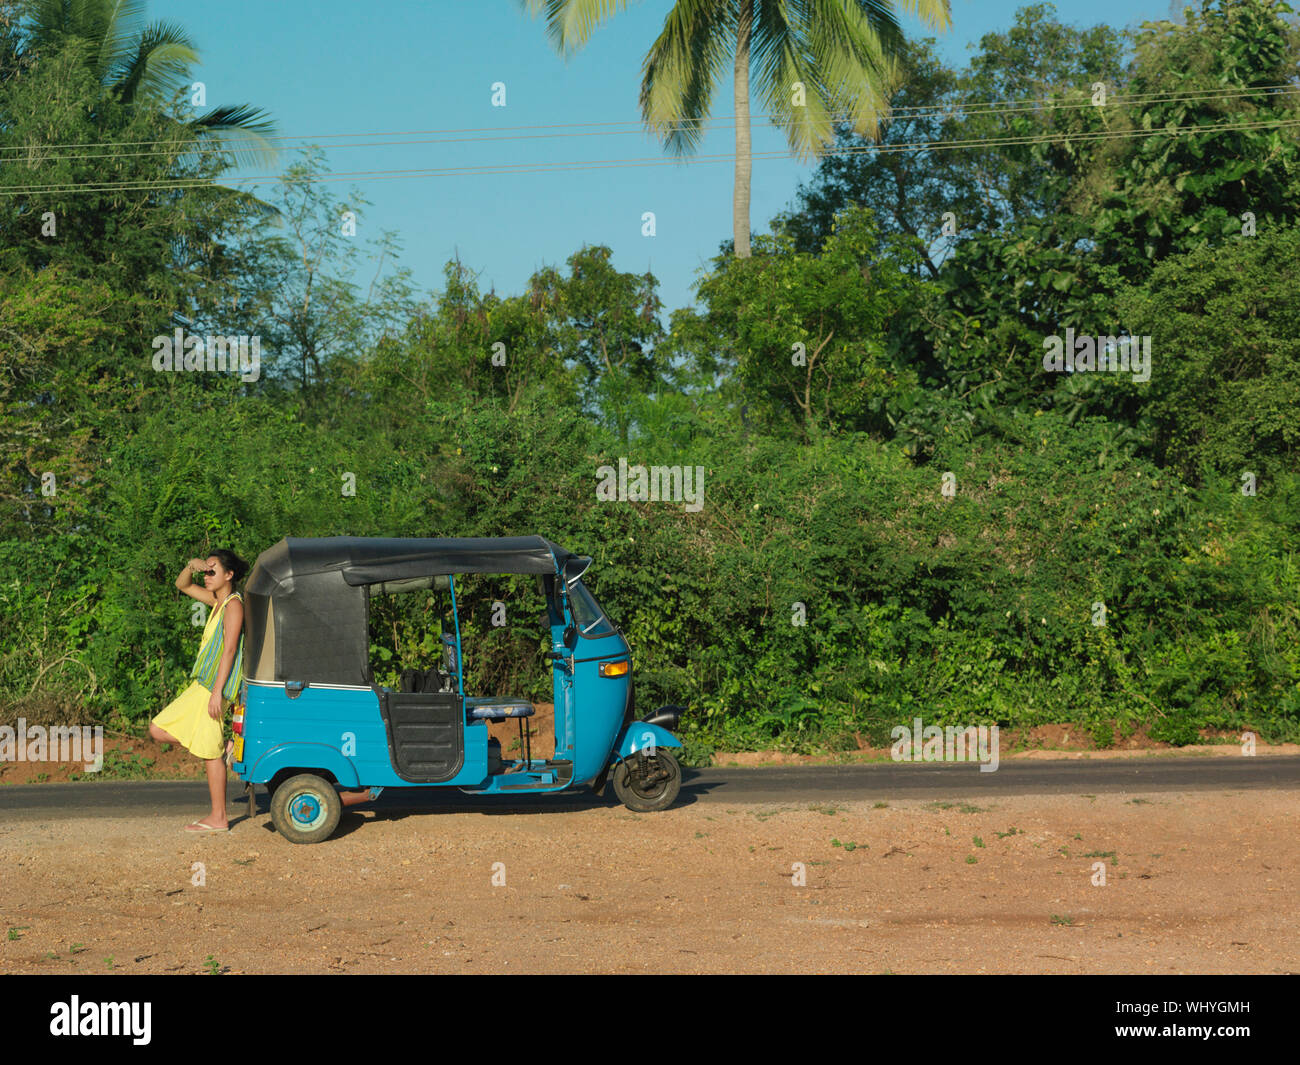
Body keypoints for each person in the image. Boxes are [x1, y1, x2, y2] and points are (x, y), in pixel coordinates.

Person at [148, 550, 248, 831]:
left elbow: (229, 650)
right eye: (205, 571)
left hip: (212, 687)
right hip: (202, 684)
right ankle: (224, 749)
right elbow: (182, 585)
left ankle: (219, 817)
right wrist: (190, 565)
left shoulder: (233, 606)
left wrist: (218, 692)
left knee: (209, 752)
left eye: (211, 571)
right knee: (158, 729)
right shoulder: (217, 601)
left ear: (229, 575)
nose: (206, 576)